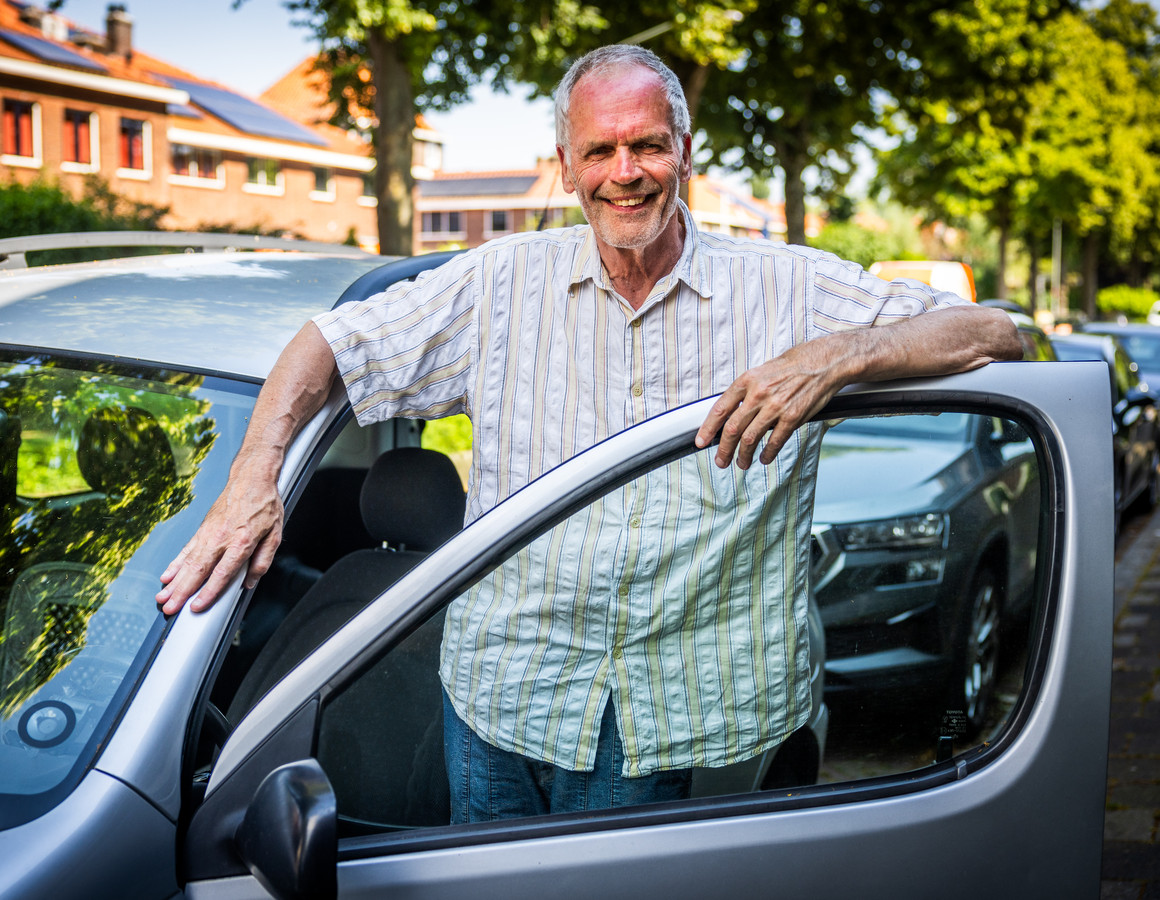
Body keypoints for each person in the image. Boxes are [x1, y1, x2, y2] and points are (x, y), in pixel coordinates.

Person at [157, 45, 1020, 822]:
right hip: (501, 697)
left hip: (682, 718)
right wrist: (250, 481)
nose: (625, 172)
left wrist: (839, 355)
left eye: (646, 145)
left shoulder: (787, 290)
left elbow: (993, 333)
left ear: (684, 151)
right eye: (599, 150)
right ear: (566, 166)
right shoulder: (496, 283)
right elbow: (331, 345)